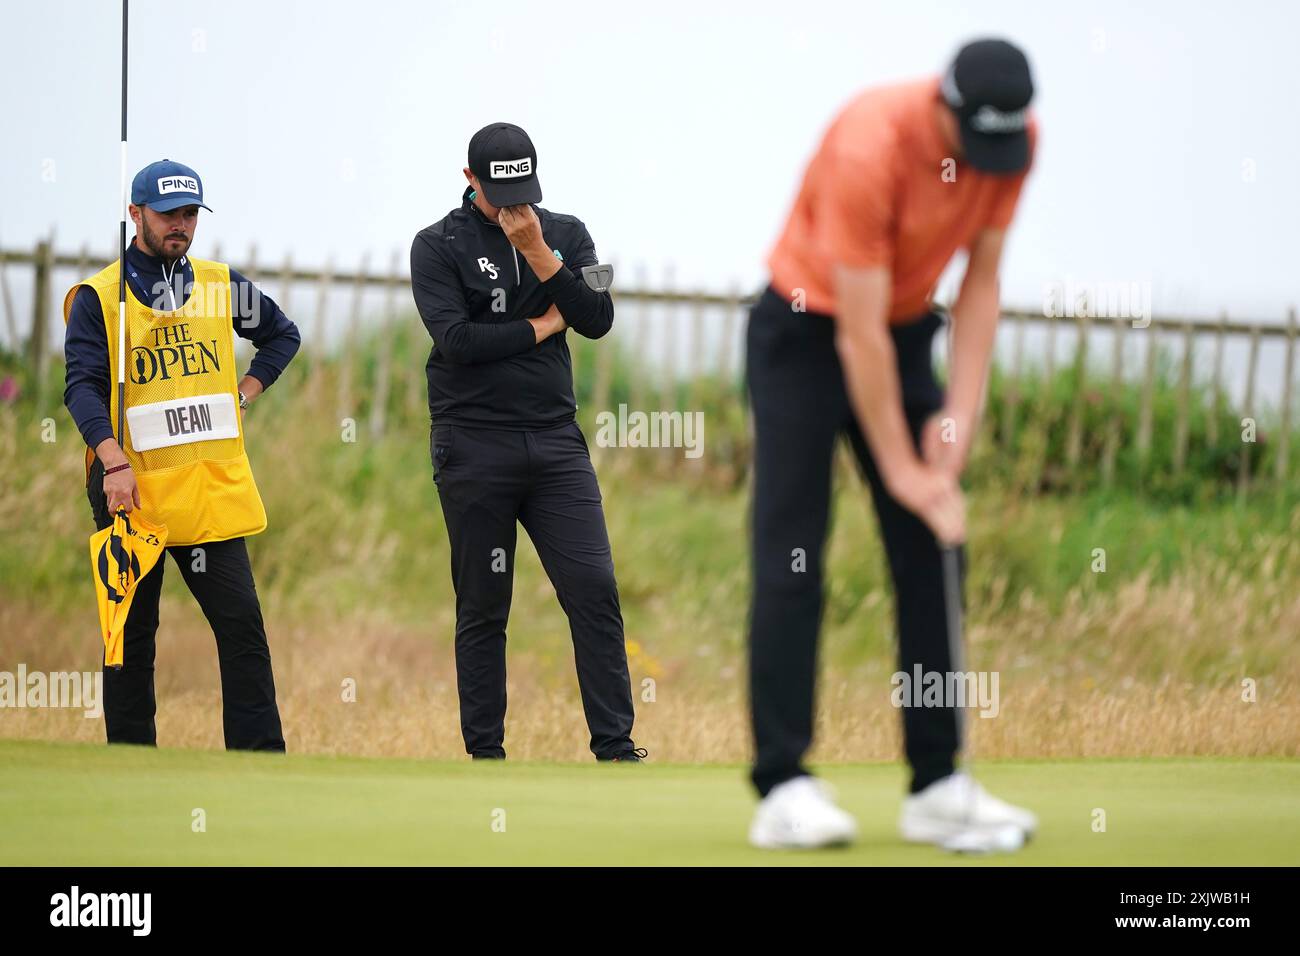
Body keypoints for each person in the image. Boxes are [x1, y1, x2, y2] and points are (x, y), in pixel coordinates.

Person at [746, 40, 1040, 848]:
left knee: (934, 540)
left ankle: (939, 782)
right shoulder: (869, 143)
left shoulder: (1015, 142)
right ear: (941, 105)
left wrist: (958, 421)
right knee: (793, 553)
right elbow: (857, 336)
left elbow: (979, 285)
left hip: (906, 335)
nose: (983, 163)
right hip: (806, 332)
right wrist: (903, 468)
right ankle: (783, 787)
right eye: (969, 143)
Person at [410, 123, 644, 762]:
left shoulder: (565, 232)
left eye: (523, 188)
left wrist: (541, 254)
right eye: (497, 190)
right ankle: (486, 755)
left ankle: (616, 748)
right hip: (472, 442)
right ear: (469, 180)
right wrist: (543, 323)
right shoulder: (436, 245)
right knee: (485, 604)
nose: (513, 204)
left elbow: (596, 320)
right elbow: (457, 341)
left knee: (593, 587)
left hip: (555, 442)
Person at [63, 159, 300, 751]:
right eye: (169, 214)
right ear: (136, 213)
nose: (181, 226)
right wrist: (113, 463)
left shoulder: (222, 285)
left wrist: (246, 393)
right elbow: (81, 388)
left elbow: (282, 335)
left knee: (242, 628)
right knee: (131, 637)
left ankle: (259, 763)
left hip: (206, 490)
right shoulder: (101, 298)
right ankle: (130, 760)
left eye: (190, 214)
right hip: (131, 493)